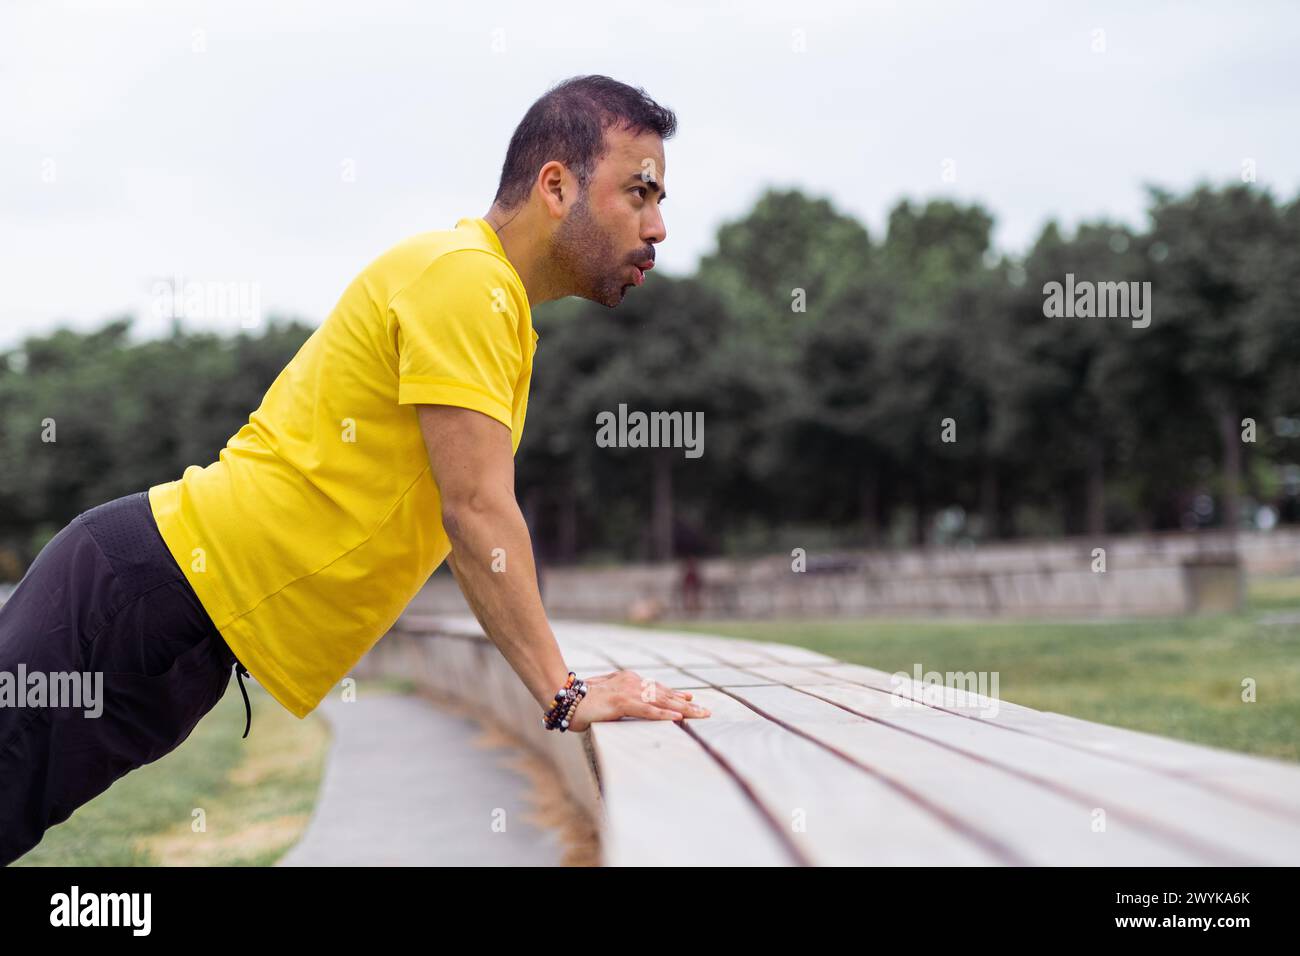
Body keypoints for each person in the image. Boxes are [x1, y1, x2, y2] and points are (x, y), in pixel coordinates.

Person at [0, 74, 710, 866]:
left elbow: (470, 516)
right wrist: (564, 695)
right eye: (639, 193)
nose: (658, 227)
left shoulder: (489, 298)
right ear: (556, 186)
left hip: (177, 618)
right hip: (138, 595)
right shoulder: (466, 281)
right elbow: (477, 513)